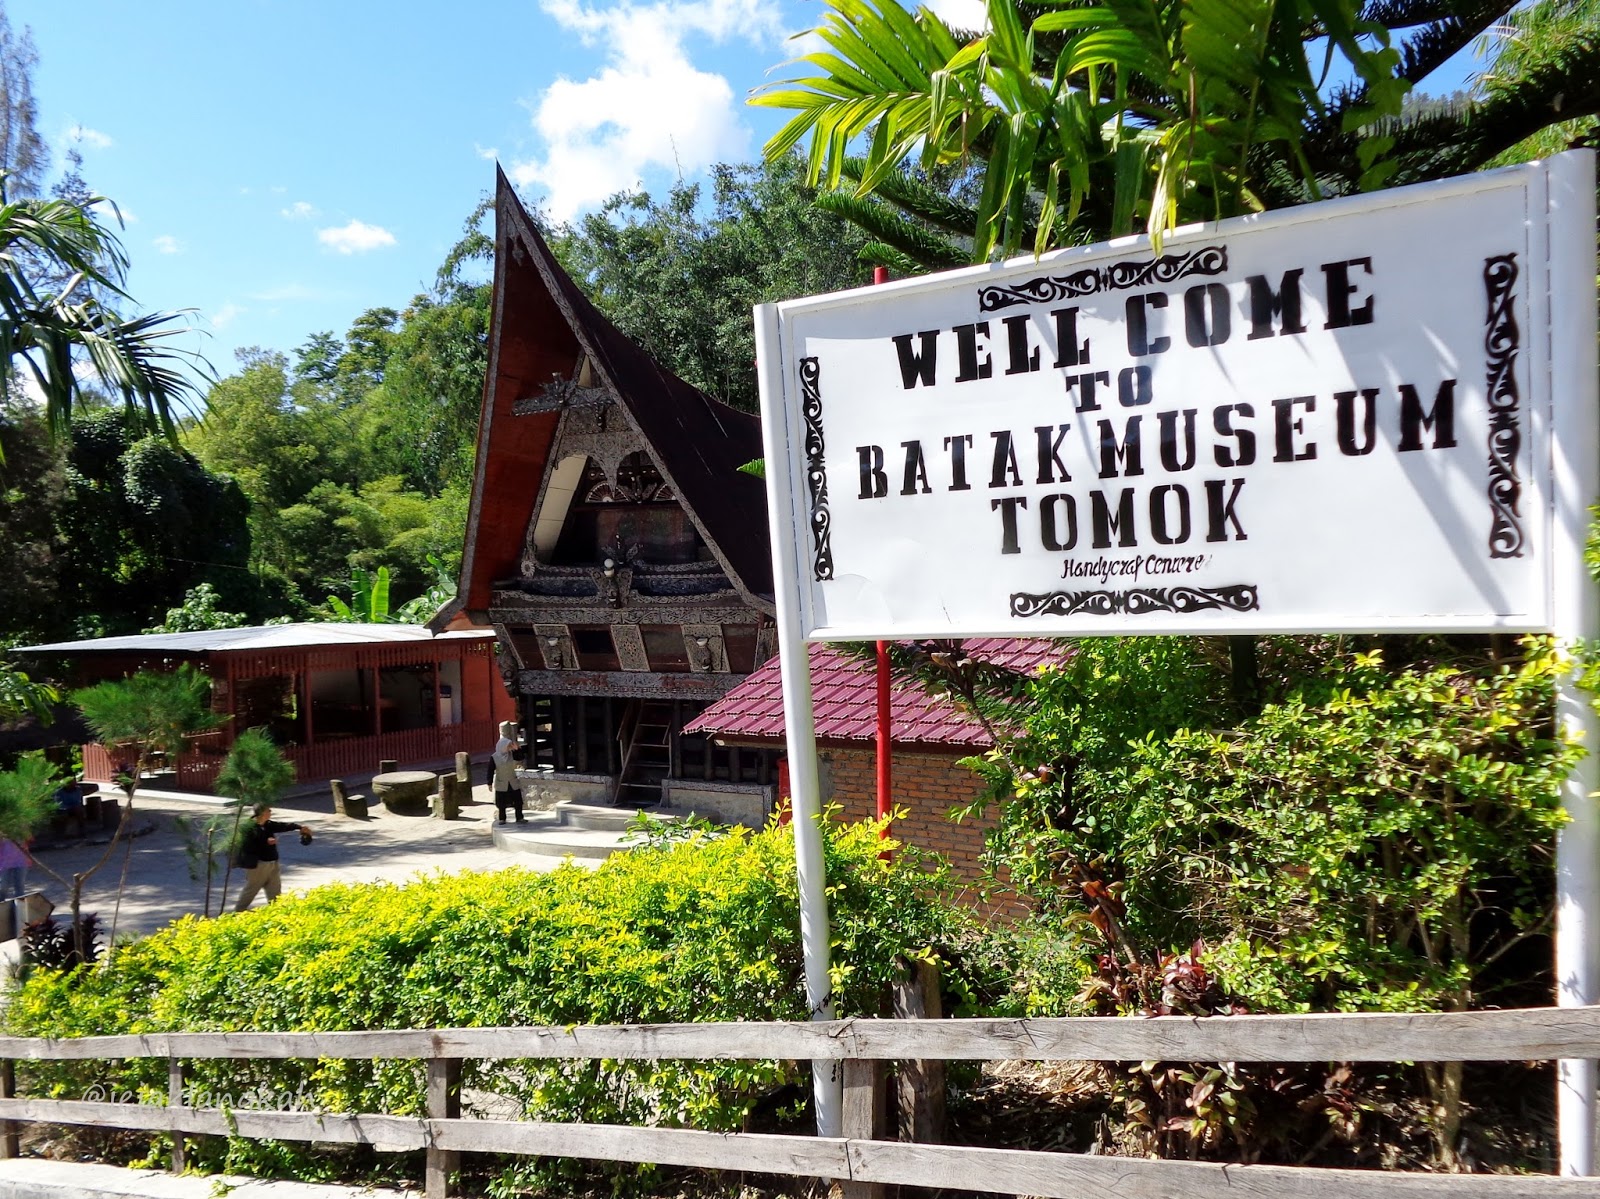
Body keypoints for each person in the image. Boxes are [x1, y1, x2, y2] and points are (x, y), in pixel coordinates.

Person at [233, 804, 312, 911]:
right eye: (268, 810)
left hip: (272, 863)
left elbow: (282, 826)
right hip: (259, 865)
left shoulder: (268, 824)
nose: (271, 812)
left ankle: (277, 911)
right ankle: (238, 911)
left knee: (275, 889)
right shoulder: (249, 827)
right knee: (251, 889)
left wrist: (299, 827)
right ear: (261, 813)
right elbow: (247, 846)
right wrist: (265, 842)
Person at [492, 720, 526, 825]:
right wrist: (489, 782)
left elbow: (520, 758)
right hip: (501, 783)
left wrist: (516, 749)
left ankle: (519, 817)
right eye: (507, 746)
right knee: (501, 803)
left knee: (518, 801)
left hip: (512, 782)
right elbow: (490, 770)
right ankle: (502, 818)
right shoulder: (494, 757)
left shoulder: (511, 755)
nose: (509, 747)